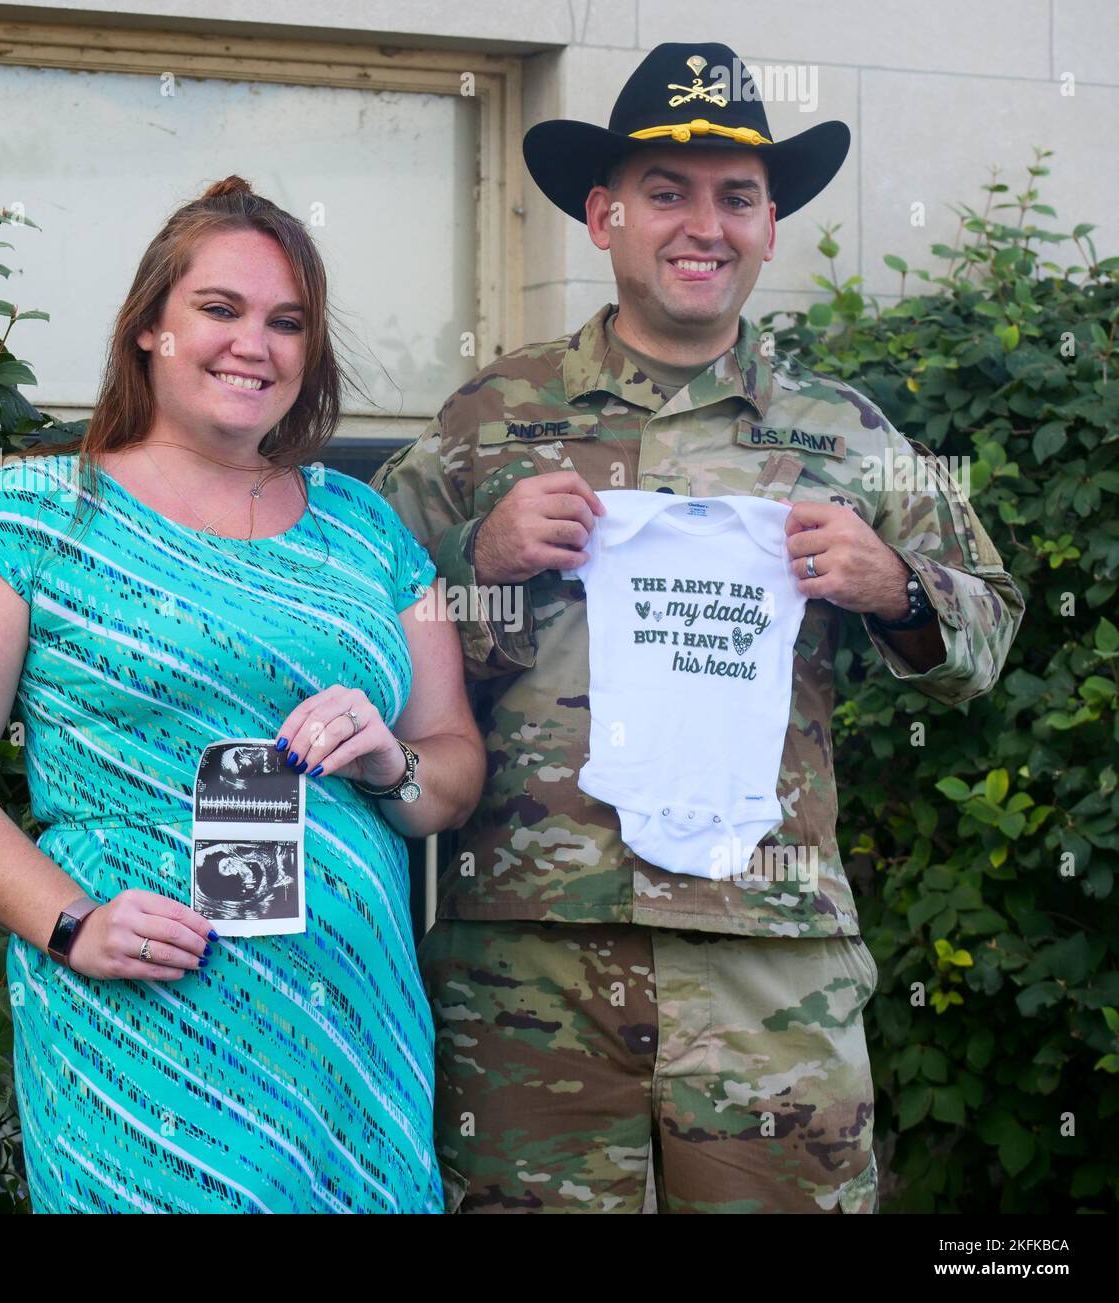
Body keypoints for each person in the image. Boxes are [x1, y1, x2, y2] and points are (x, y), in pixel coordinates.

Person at [373, 43, 1024, 1213]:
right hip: (528, 963)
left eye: (737, 195)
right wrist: (481, 560)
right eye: (666, 192)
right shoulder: (489, 420)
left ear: (772, 226)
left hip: (767, 958)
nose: (702, 225)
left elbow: (984, 640)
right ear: (602, 214)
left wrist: (894, 586)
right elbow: (357, 637)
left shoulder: (846, 435)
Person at [0, 176, 485, 1213]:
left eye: (285, 321)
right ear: (147, 331)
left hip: (353, 1034)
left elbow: (451, 771)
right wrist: (70, 923)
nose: (254, 342)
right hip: (142, 1024)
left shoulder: (367, 527)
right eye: (219, 308)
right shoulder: (31, 513)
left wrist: (393, 761)